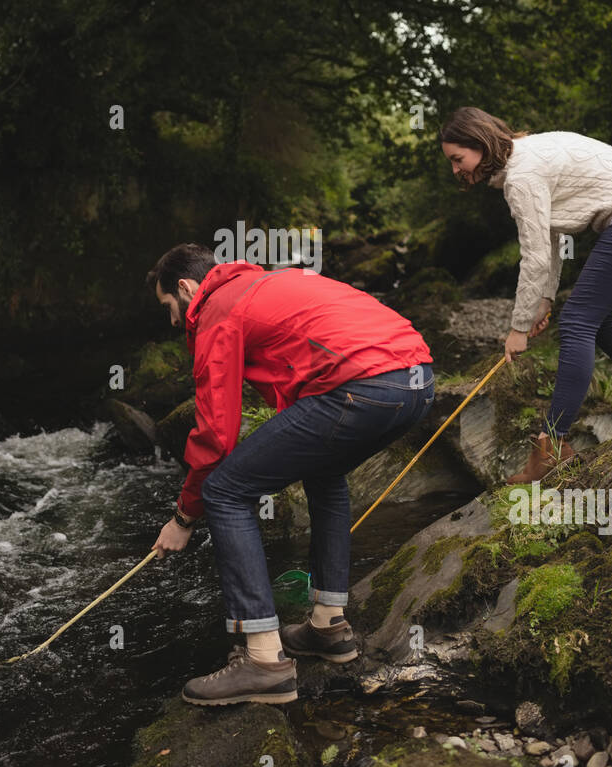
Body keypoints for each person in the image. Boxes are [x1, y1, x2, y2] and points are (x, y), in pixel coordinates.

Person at [145, 242, 435, 706]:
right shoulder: (268, 283)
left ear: (186, 287)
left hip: (363, 385)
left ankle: (263, 663)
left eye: (168, 308)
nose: (174, 321)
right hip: (417, 382)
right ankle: (328, 626)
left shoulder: (218, 307)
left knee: (224, 492)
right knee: (325, 469)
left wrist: (183, 518)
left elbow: (216, 435)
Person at [439, 107, 612, 484]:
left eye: (458, 159)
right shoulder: (524, 158)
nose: (455, 169)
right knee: (599, 322)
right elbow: (552, 239)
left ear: (481, 143)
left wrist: (519, 328)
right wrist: (545, 300)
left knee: (577, 323)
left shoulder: (522, 176)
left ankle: (551, 447)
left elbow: (535, 255)